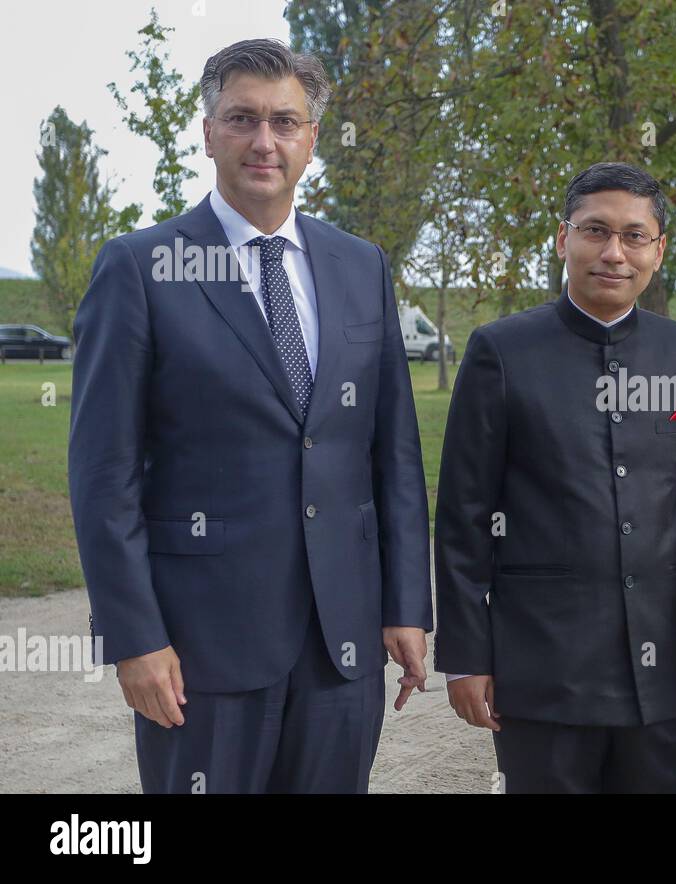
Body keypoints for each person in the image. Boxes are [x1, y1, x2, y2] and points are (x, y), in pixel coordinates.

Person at [67, 39, 432, 793]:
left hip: (341, 645)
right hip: (202, 651)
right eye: (241, 119)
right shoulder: (139, 267)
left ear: (312, 140)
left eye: (285, 122)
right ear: (207, 133)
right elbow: (103, 475)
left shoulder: (361, 265)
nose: (264, 141)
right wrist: (135, 639)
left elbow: (392, 452)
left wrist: (406, 606)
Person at [434, 162, 676, 793]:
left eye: (634, 236)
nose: (613, 253)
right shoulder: (502, 351)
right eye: (595, 231)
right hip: (544, 666)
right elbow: (463, 516)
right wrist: (464, 656)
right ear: (564, 240)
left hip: (660, 666)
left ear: (659, 250)